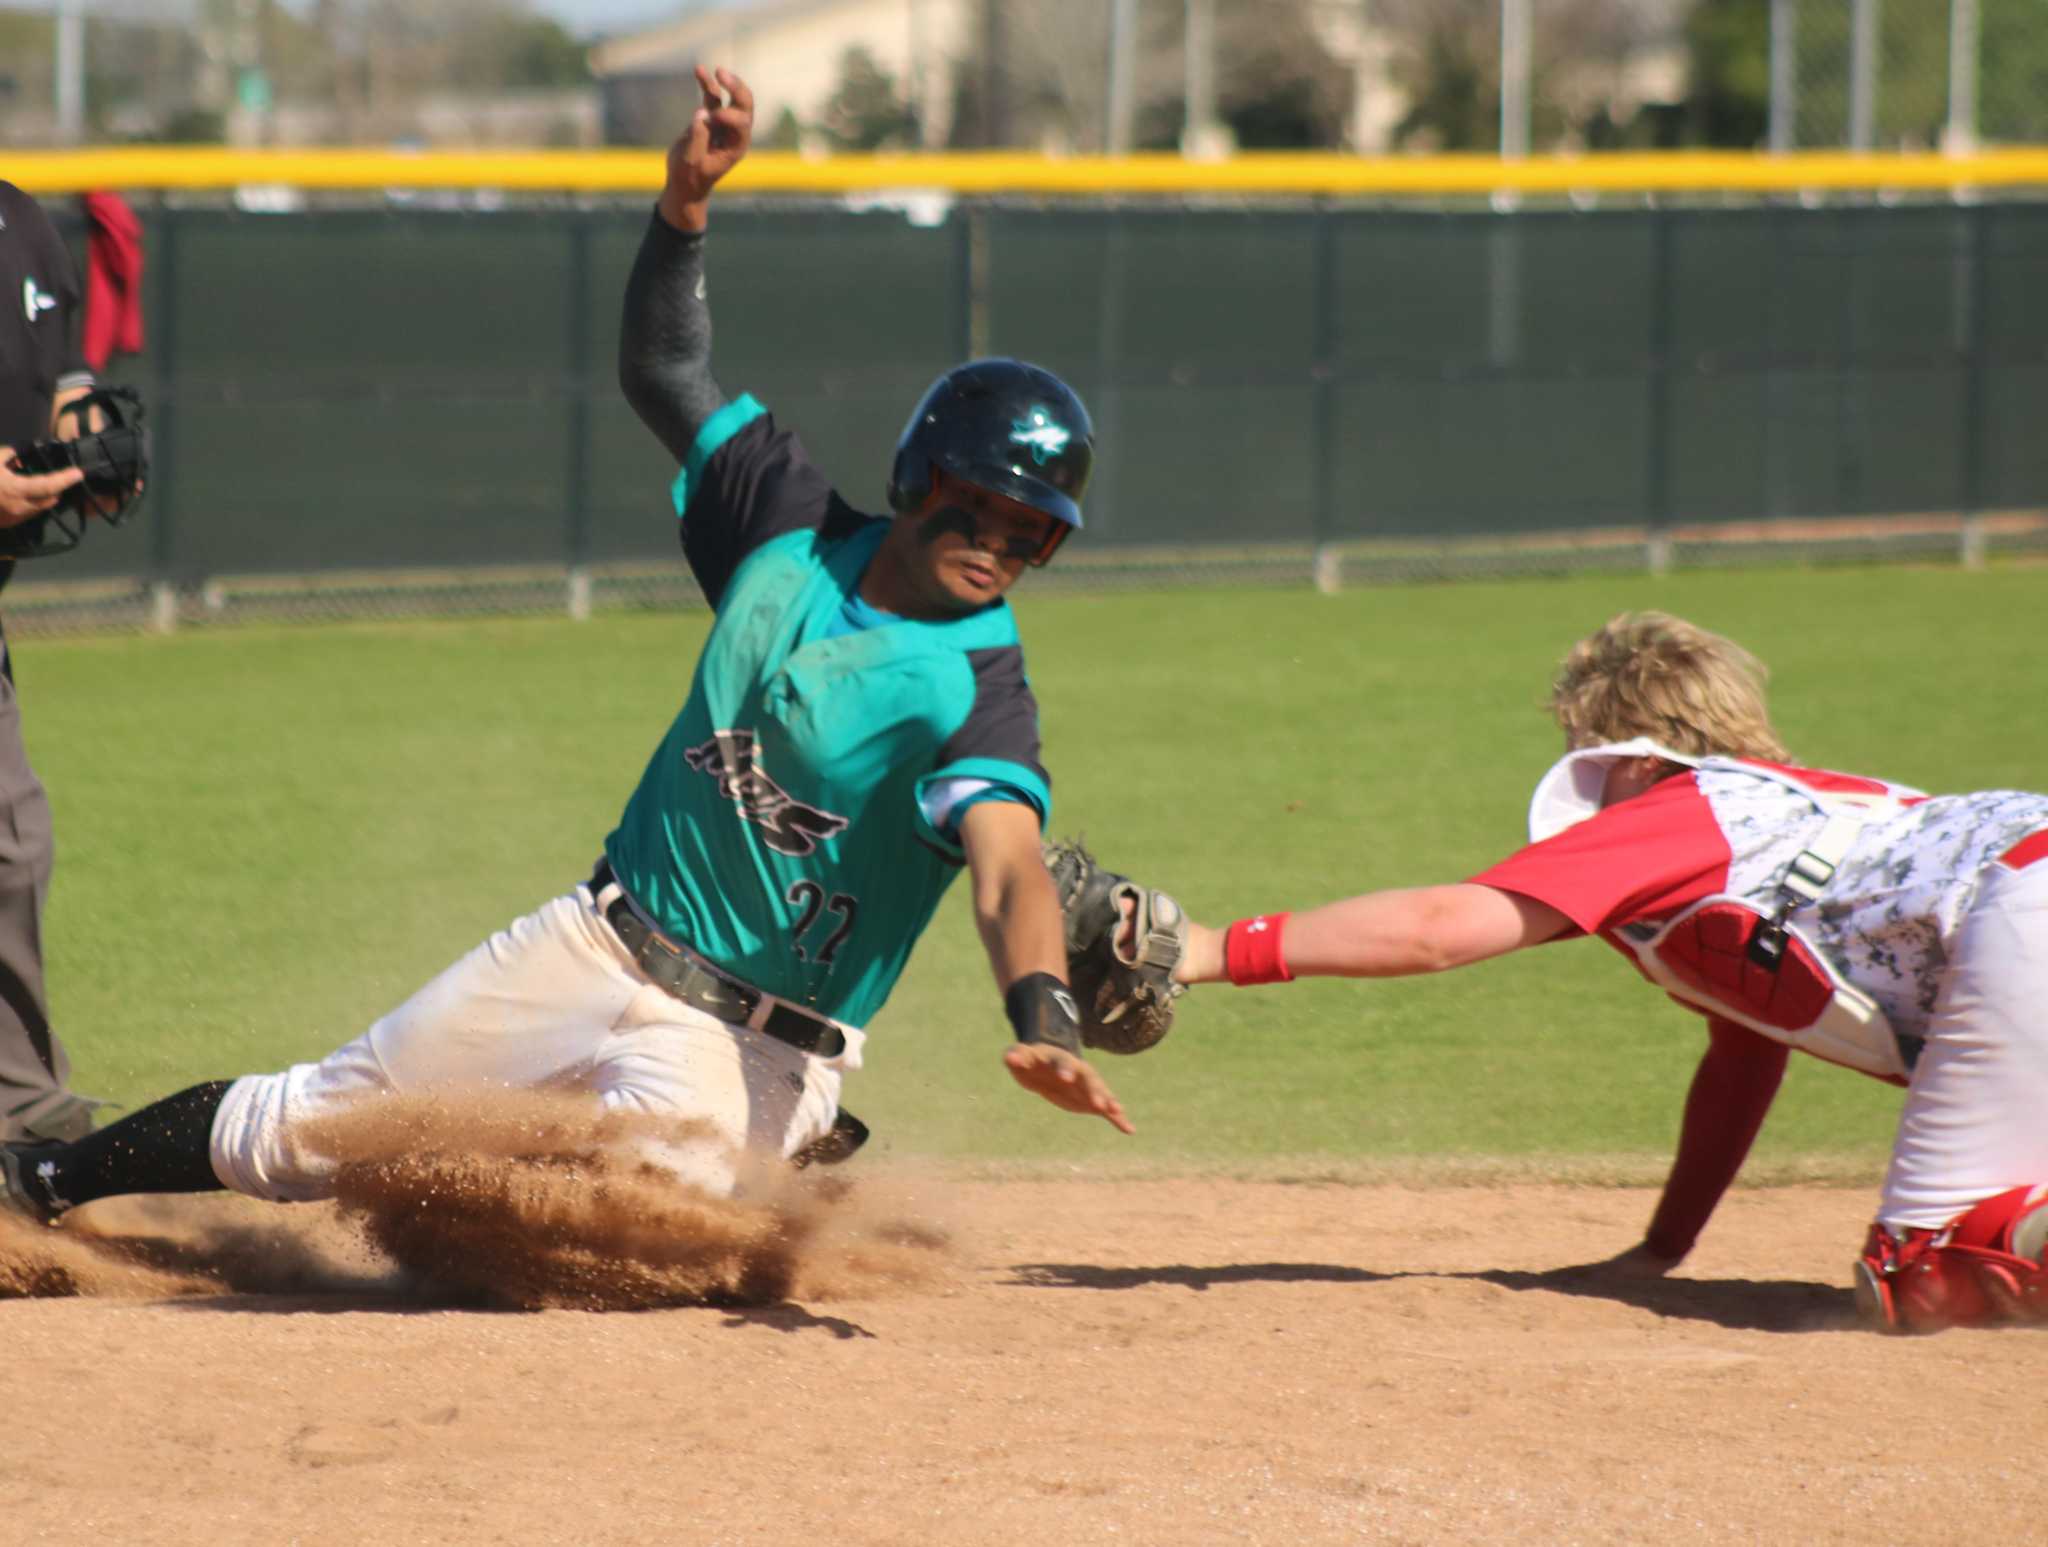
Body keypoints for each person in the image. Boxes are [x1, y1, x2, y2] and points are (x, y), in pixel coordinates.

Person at [1, 66, 1129, 1231]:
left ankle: (784, 1131)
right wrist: (683, 206)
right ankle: (42, 1181)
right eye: (977, 506)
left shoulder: (977, 688)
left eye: (1030, 530)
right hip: (594, 941)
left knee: (631, 1224)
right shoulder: (785, 525)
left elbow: (1008, 867)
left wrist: (1041, 1014)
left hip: (747, 1041)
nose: (995, 543)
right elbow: (664, 374)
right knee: (313, 1125)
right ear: (917, 478)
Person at [1165, 610, 2048, 1331]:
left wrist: (1215, 948)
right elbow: (1746, 1056)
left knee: (1926, 1280)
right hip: (2022, 879)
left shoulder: (1682, 809)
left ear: (1627, 755)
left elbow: (1443, 926)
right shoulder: (1810, 809)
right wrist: (1663, 1246)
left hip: (2021, 901)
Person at [0, 179, 111, 1145]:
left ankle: (24, 1119)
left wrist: (93, 450)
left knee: (12, 845)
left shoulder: (24, 223)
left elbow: (62, 379)